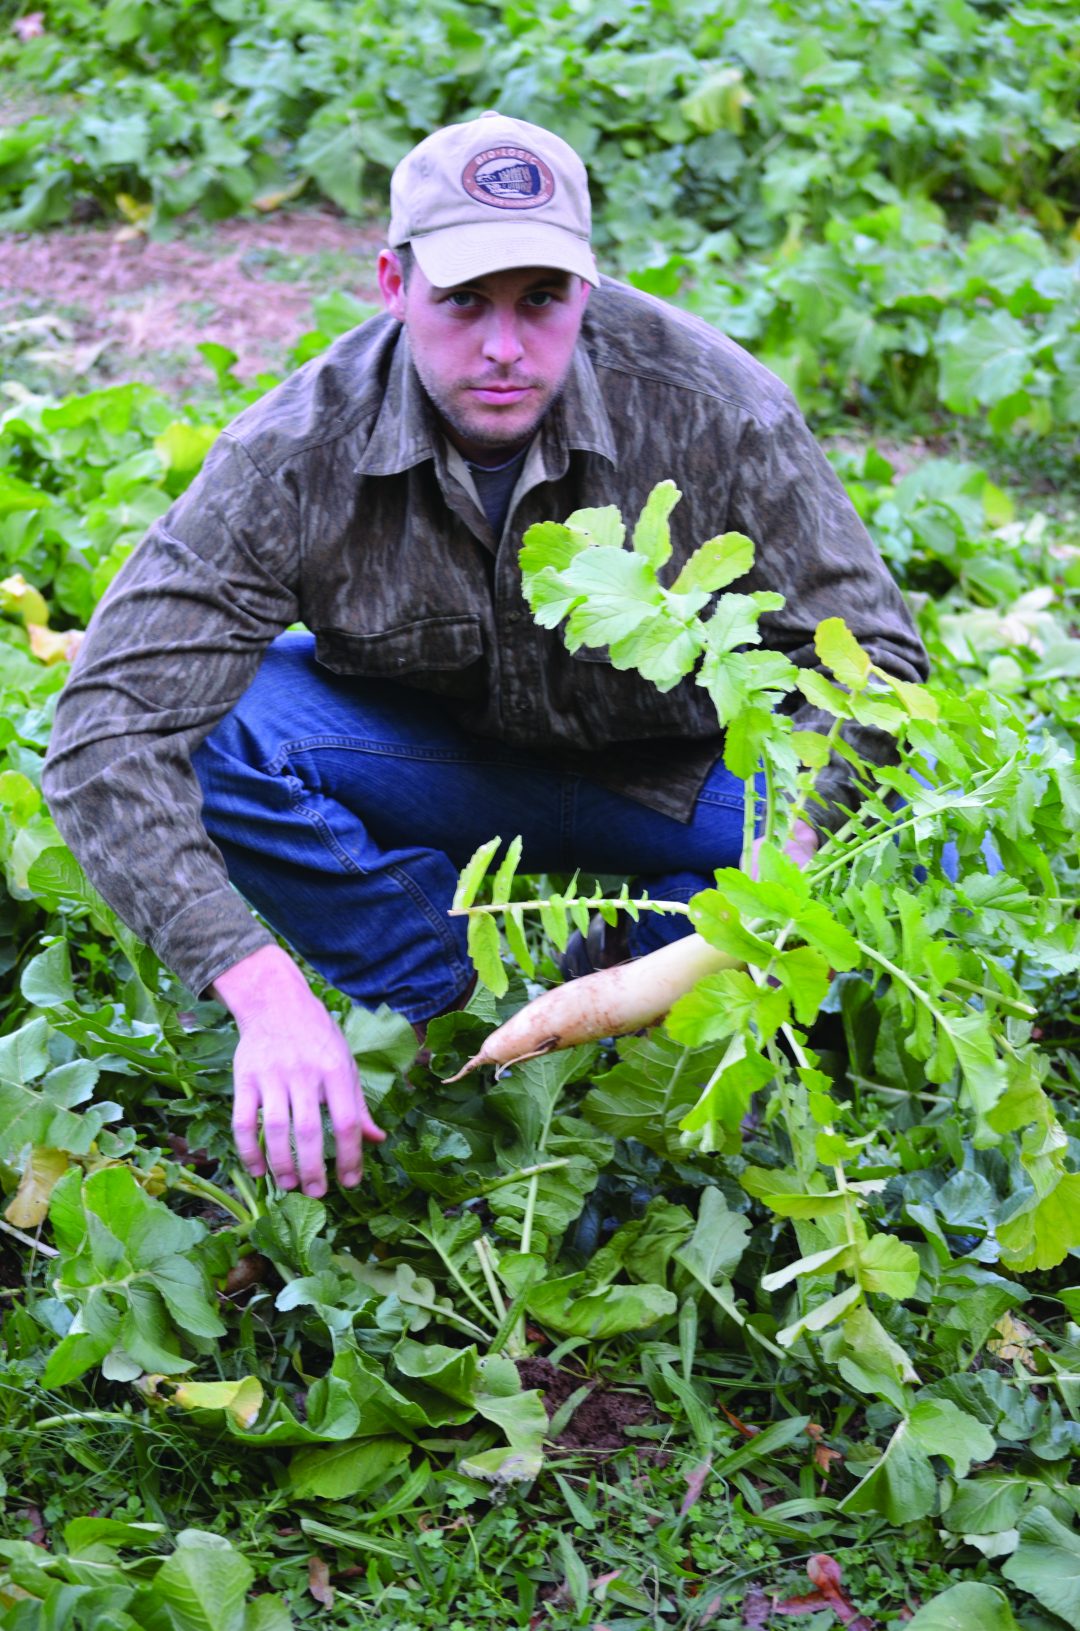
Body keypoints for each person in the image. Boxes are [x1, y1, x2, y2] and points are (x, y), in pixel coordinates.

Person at [42, 113, 928, 1202]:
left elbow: (874, 658)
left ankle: (620, 979)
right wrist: (262, 991)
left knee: (880, 847)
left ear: (587, 295)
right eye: (465, 300)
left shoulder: (711, 406)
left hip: (686, 774)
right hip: (438, 764)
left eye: (540, 301)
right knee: (219, 727)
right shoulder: (296, 452)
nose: (504, 346)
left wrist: (778, 876)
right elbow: (103, 728)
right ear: (392, 283)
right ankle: (455, 1009)